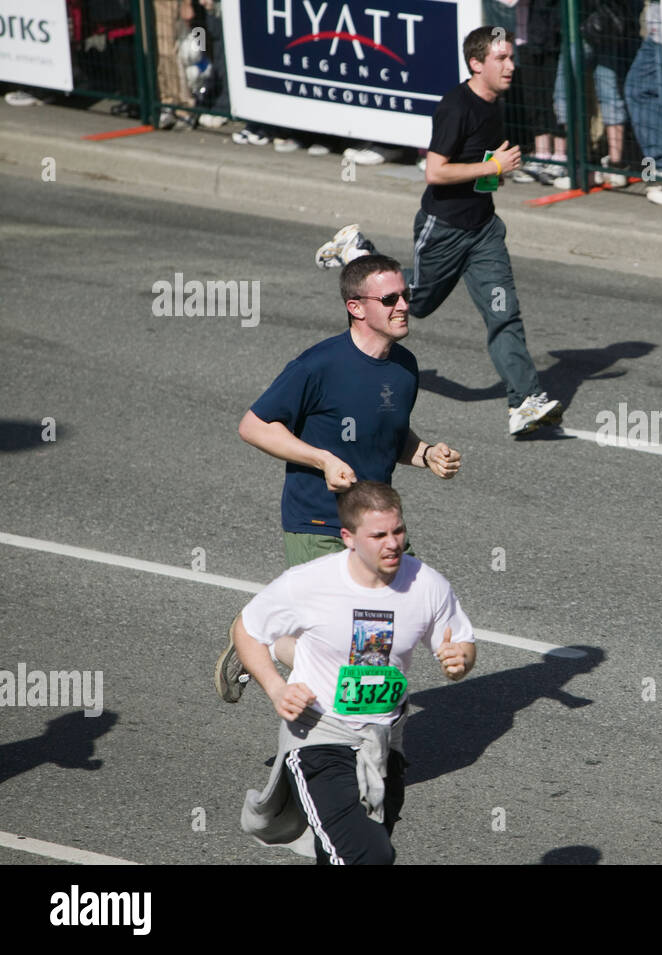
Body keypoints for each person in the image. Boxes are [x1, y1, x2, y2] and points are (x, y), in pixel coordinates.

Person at [216, 254, 462, 703]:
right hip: (319, 521)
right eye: (390, 298)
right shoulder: (319, 365)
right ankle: (263, 642)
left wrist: (425, 453)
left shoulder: (404, 367)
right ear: (356, 307)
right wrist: (321, 459)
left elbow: (387, 433)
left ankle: (359, 737)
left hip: (375, 523)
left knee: (377, 641)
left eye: (405, 295)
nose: (403, 305)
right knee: (356, 648)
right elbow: (253, 425)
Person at [314, 27, 563, 437]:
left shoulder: (495, 103)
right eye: (501, 59)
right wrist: (493, 168)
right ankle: (357, 254)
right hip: (444, 228)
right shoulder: (456, 107)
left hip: (484, 229)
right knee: (418, 303)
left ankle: (524, 402)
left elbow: (482, 162)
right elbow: (434, 171)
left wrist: (490, 174)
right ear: (476, 63)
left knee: (504, 314)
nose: (510, 66)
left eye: (511, 58)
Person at [237, 481, 475, 864]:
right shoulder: (309, 584)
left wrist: (460, 660)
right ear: (348, 537)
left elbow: (461, 642)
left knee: (353, 853)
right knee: (368, 857)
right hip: (320, 735)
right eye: (378, 535)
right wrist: (277, 688)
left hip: (384, 742)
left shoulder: (426, 585)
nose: (393, 543)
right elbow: (246, 629)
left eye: (398, 531)